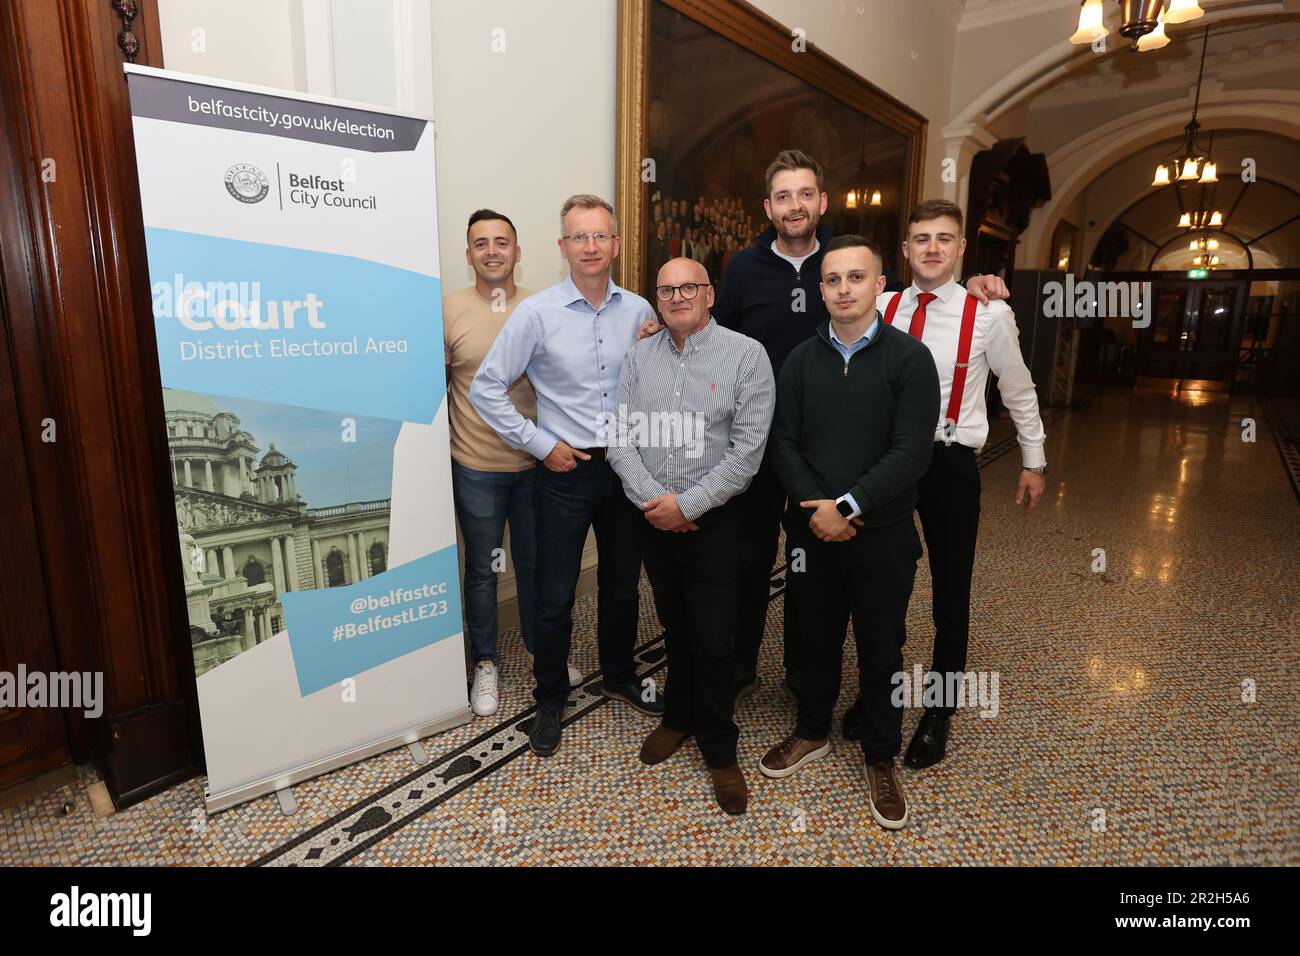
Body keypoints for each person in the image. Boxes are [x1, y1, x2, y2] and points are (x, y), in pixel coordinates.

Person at [714, 150, 1013, 706]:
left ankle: (808, 671)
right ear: (768, 207)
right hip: (761, 443)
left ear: (821, 201)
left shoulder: (845, 259)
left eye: (805, 194)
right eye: (783, 196)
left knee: (826, 553)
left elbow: (921, 286)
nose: (795, 205)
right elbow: (718, 335)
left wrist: (977, 283)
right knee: (755, 558)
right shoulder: (743, 268)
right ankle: (740, 666)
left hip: (836, 450)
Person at [843, 198, 1047, 769]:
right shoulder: (879, 305)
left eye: (944, 239)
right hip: (884, 464)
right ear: (905, 251)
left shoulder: (988, 314)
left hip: (949, 464)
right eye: (921, 239)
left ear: (960, 249)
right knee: (882, 584)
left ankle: (940, 707)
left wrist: (1034, 460)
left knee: (950, 591)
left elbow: (1019, 390)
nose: (932, 248)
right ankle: (879, 691)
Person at [470, 194, 665, 758]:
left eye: (600, 235)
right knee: (553, 594)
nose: (590, 246)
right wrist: (540, 443)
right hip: (565, 470)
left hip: (627, 469)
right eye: (578, 237)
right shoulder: (536, 314)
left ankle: (621, 674)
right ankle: (550, 696)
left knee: (623, 584)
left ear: (616, 244)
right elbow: (487, 386)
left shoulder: (639, 310)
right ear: (562, 248)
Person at [760, 234, 938, 830]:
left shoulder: (910, 359)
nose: (843, 289)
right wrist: (820, 511)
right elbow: (782, 440)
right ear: (821, 290)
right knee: (814, 637)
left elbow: (911, 451)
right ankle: (811, 729)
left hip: (882, 535)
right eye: (832, 280)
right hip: (813, 534)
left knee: (882, 647)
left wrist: (850, 503)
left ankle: (881, 757)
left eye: (855, 278)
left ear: (880, 284)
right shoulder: (800, 361)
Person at [608, 256, 774, 815]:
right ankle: (679, 716)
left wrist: (690, 505)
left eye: (689, 287)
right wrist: (656, 504)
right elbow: (620, 440)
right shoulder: (638, 357)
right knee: (674, 623)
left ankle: (720, 749)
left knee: (714, 638)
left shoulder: (747, 355)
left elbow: (747, 453)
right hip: (654, 518)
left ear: (709, 294)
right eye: (666, 288)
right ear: (657, 298)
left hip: (718, 522)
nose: (678, 296)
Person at [444, 210, 584, 718]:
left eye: (502, 242)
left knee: (534, 565)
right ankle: (484, 663)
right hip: (476, 465)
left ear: (518, 252)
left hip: (538, 464)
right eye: (480, 243)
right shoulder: (448, 311)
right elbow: (437, 393)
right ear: (469, 256)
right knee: (482, 569)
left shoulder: (545, 308)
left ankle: (538, 652)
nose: (492, 251)